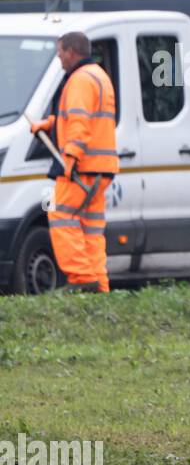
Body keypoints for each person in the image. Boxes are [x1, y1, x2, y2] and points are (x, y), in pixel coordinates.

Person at [29, 31, 118, 291]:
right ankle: (99, 284)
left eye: (59, 54)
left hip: (83, 166)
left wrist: (69, 157)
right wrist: (50, 125)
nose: (59, 60)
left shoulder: (79, 80)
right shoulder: (99, 76)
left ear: (70, 52)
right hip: (101, 168)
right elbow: (82, 118)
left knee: (60, 215)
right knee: (91, 227)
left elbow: (79, 122)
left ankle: (81, 279)